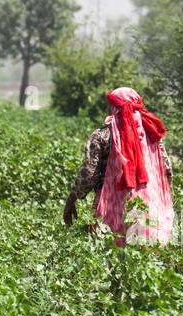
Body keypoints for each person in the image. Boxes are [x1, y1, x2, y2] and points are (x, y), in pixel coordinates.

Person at [63, 88, 173, 246]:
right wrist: (163, 201)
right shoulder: (152, 133)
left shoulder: (102, 135)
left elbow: (89, 173)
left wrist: (72, 199)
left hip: (112, 210)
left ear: (114, 107)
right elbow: (166, 169)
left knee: (110, 256)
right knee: (147, 257)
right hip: (150, 207)